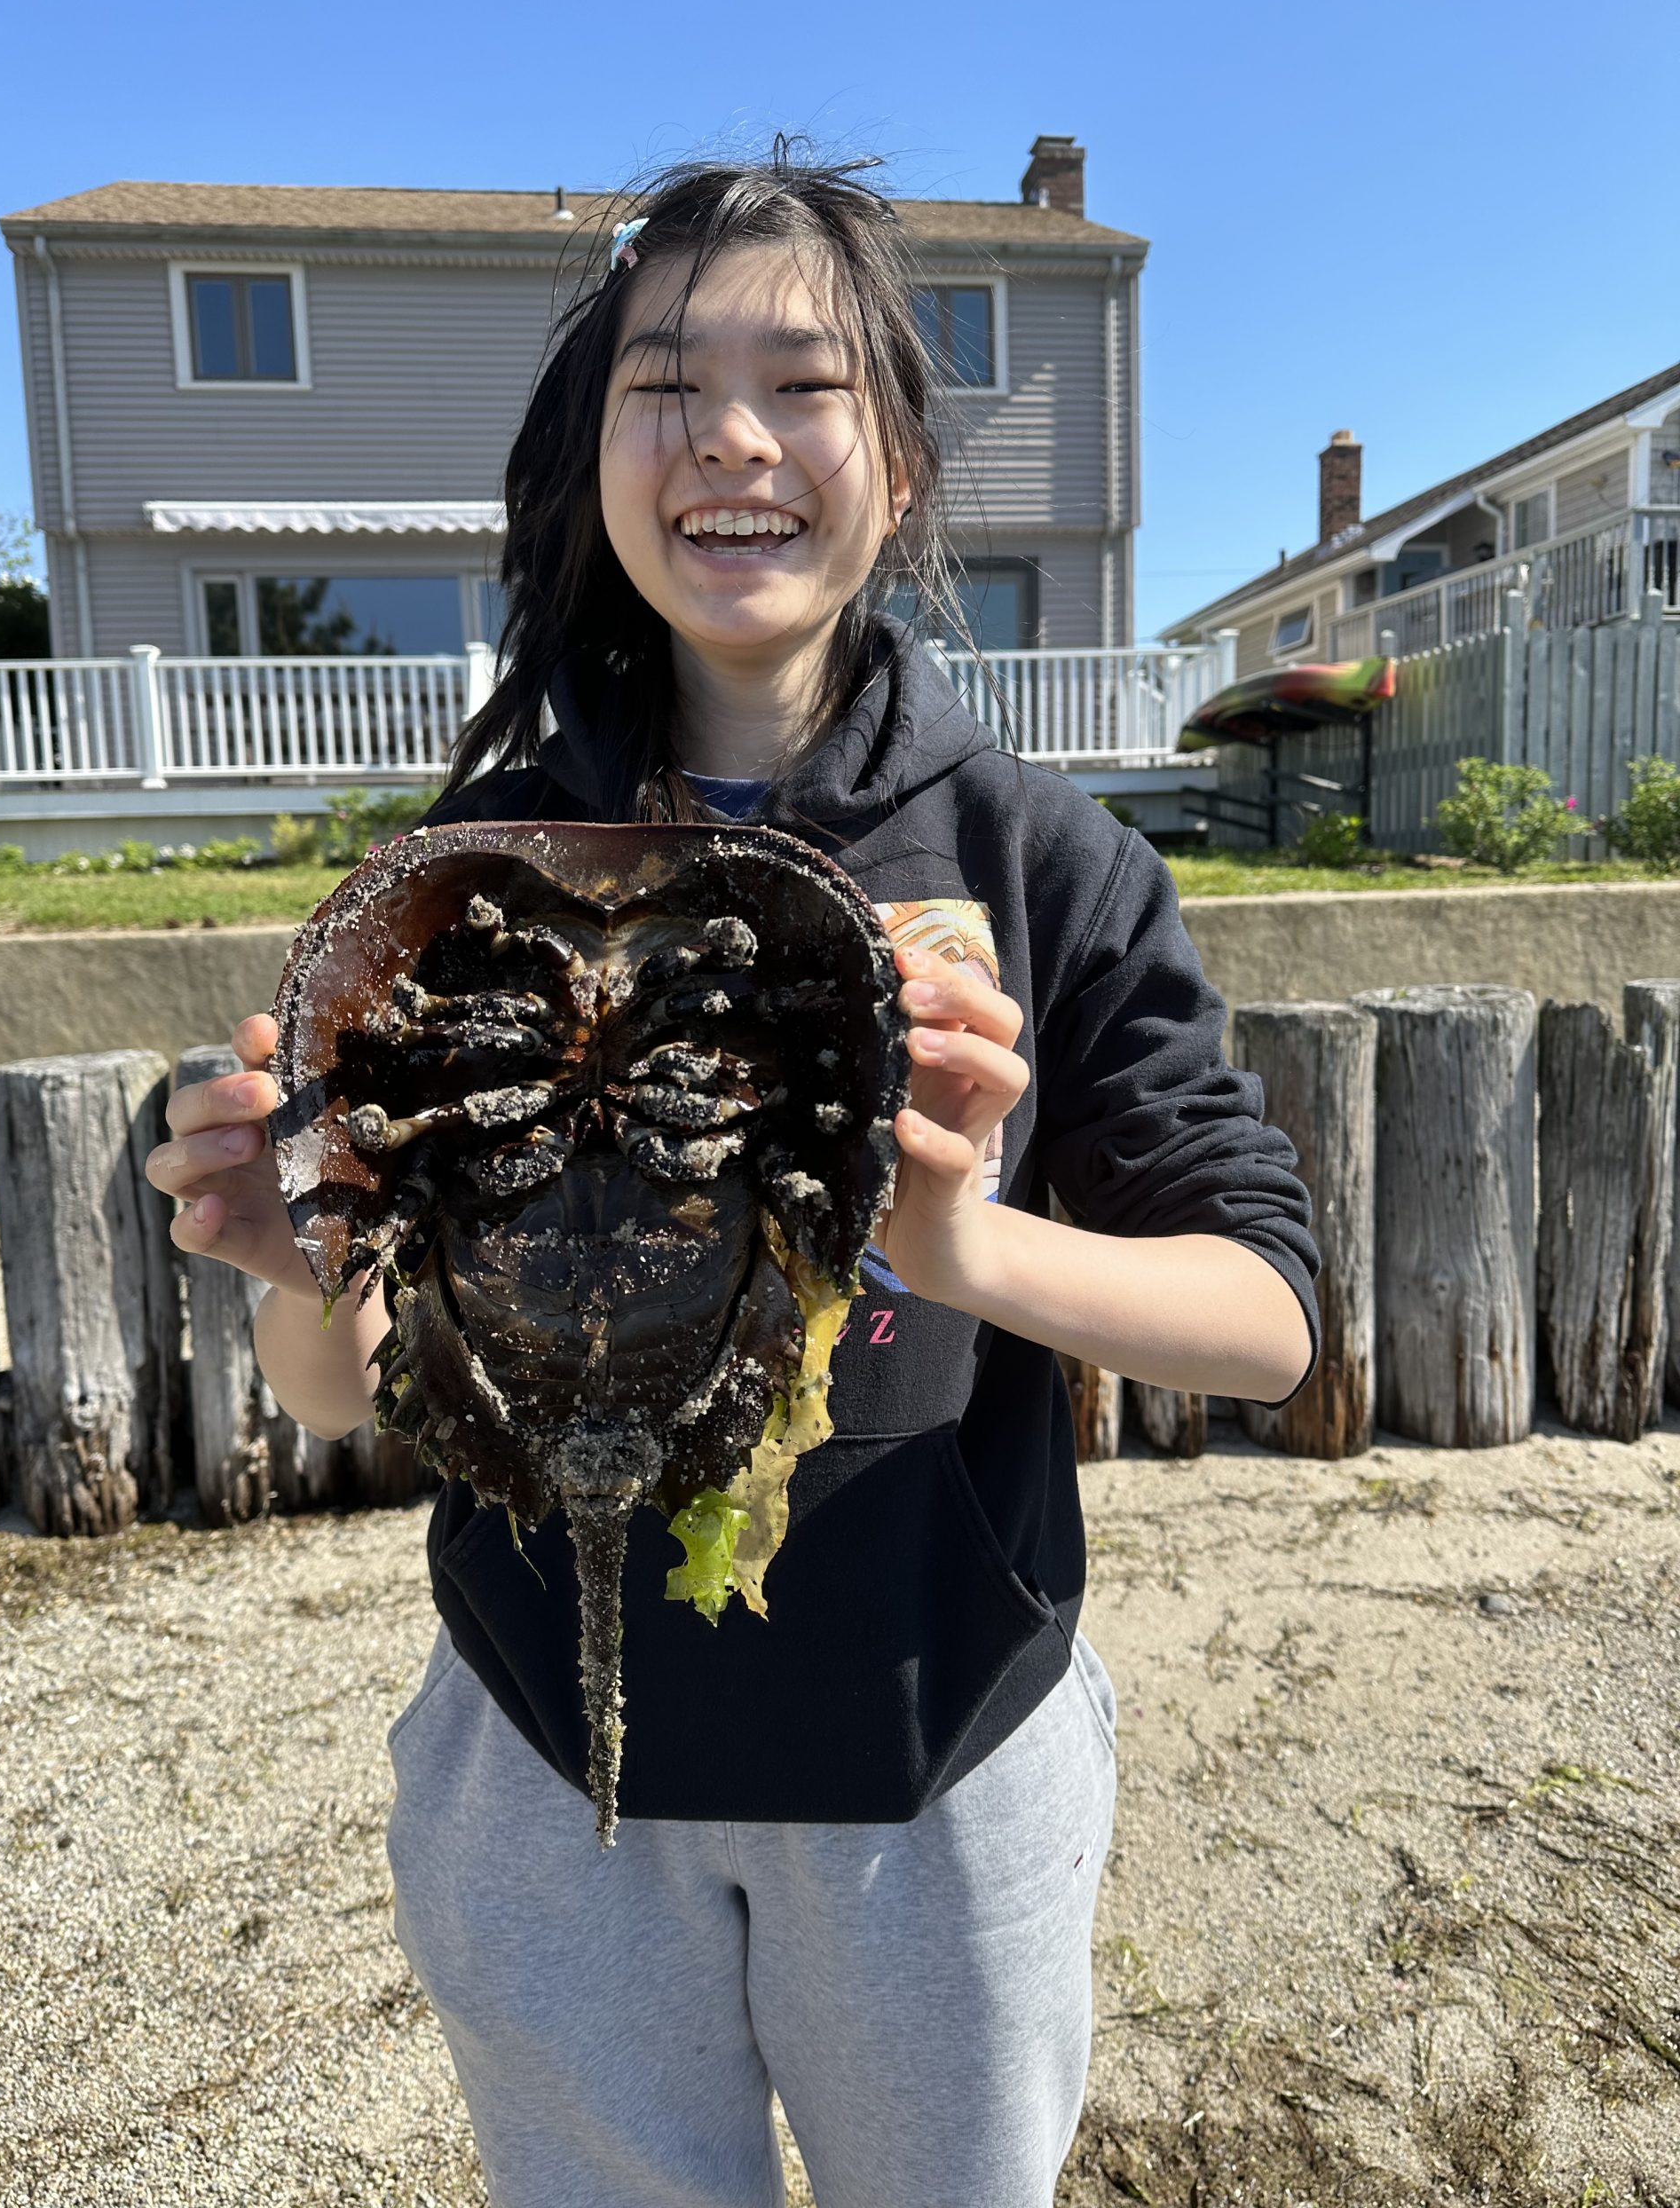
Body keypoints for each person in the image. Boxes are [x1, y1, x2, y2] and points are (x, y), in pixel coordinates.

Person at [146, 147, 1319, 2208]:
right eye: (665, 382)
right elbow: (338, 1389)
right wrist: (284, 1248)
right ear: (592, 444)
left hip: (933, 1752)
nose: (734, 442)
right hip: (544, 1766)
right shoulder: (474, 870)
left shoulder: (1044, 867)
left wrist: (957, 1234)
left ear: (903, 455)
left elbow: (1273, 1309)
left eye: (806, 380)